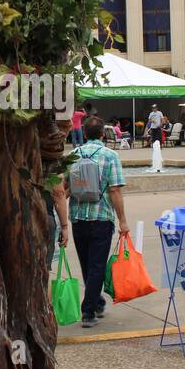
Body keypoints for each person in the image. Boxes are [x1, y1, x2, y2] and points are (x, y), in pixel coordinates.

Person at [65, 116, 129, 328]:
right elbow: (115, 190)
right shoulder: (110, 156)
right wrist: (122, 221)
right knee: (97, 266)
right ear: (103, 133)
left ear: (84, 133)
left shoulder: (72, 155)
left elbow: (63, 188)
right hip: (101, 217)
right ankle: (88, 311)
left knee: (87, 264)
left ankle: (97, 301)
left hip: (77, 217)